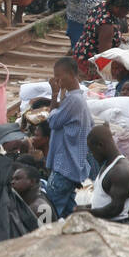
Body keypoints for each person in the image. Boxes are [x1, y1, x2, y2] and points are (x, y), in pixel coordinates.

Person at [46, 56, 92, 220]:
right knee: (67, 215)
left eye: (59, 75)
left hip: (64, 168)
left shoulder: (73, 100)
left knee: (50, 213)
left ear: (72, 75)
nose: (56, 79)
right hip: (72, 167)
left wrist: (54, 94)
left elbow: (52, 121)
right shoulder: (75, 99)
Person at [72, 0, 129, 74]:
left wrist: (118, 37)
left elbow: (95, 32)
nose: (126, 14)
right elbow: (105, 55)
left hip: (81, 51)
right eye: (125, 11)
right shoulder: (107, 26)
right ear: (117, 8)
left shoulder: (101, 5)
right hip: (91, 63)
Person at [87, 123, 129, 224]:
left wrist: (89, 213)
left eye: (92, 151)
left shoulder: (120, 171)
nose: (93, 156)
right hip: (105, 225)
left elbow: (115, 208)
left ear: (100, 145)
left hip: (116, 227)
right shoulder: (108, 165)